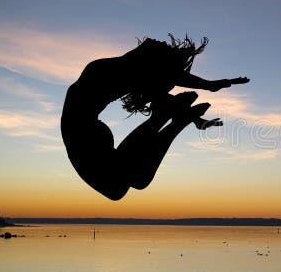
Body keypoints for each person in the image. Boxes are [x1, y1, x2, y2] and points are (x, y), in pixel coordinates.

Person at [60, 35, 249, 200]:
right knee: (133, 183)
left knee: (123, 186)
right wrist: (206, 89)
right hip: (83, 132)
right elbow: (160, 77)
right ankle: (170, 122)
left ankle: (169, 121)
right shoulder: (118, 69)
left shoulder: (124, 69)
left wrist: (207, 89)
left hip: (83, 131)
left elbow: (161, 76)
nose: (158, 41)